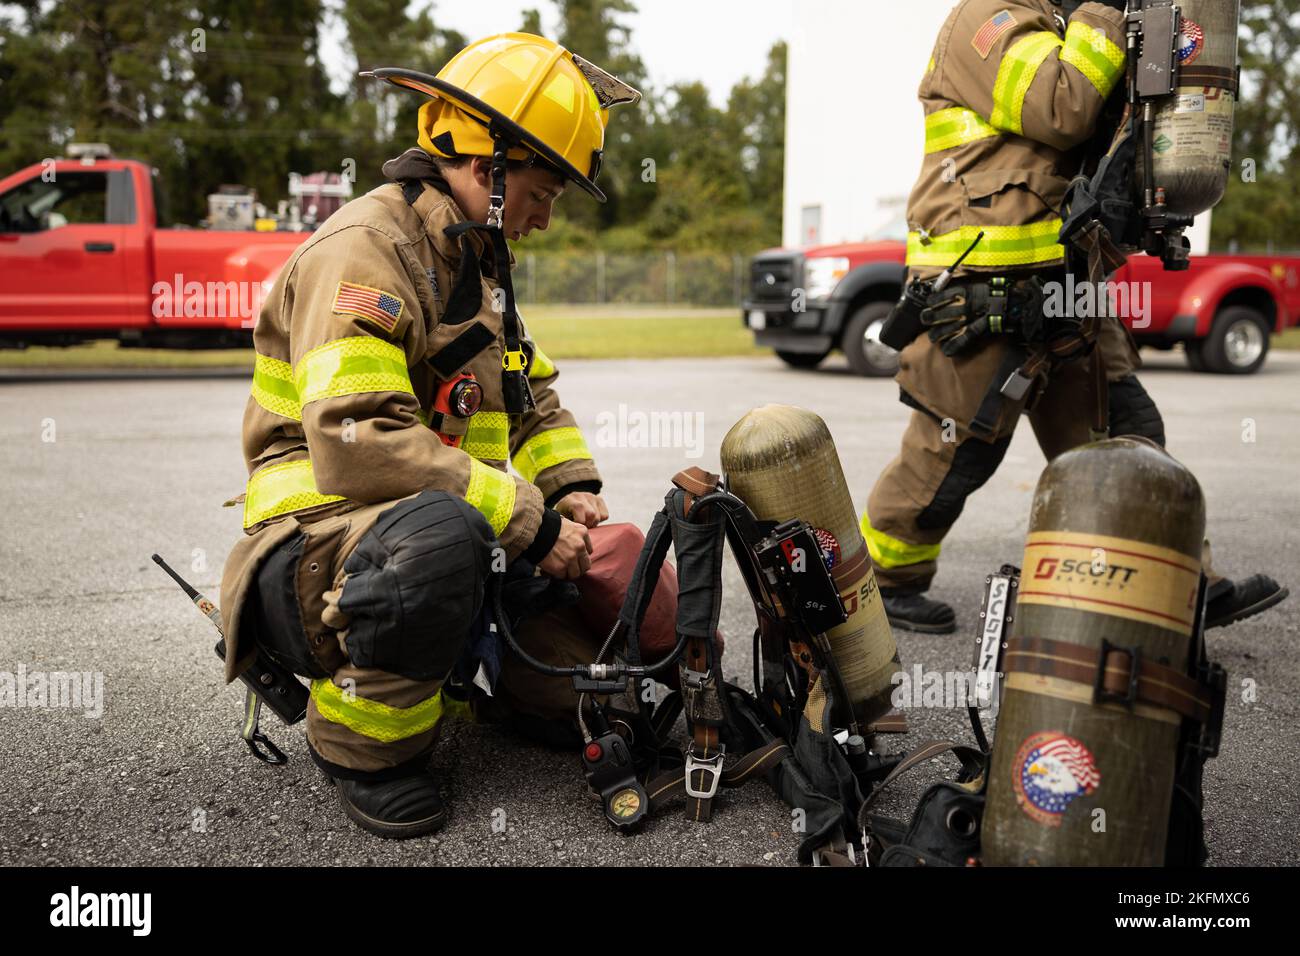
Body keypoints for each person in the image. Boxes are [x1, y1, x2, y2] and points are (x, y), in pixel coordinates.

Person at [218, 33, 642, 837]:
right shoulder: (368, 252)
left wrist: (570, 491)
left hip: (421, 528)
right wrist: (525, 519)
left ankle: (492, 679)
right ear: (488, 169)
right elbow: (358, 438)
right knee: (447, 537)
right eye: (542, 192)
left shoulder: (471, 265)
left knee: (590, 679)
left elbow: (532, 393)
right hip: (319, 549)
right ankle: (360, 746)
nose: (545, 221)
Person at [861, 0, 1287, 633]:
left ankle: (1180, 583)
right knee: (955, 456)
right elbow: (1062, 107)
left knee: (1125, 432)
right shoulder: (988, 22)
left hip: (1069, 290)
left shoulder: (1066, 32)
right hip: (980, 296)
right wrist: (1102, 15)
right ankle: (886, 581)